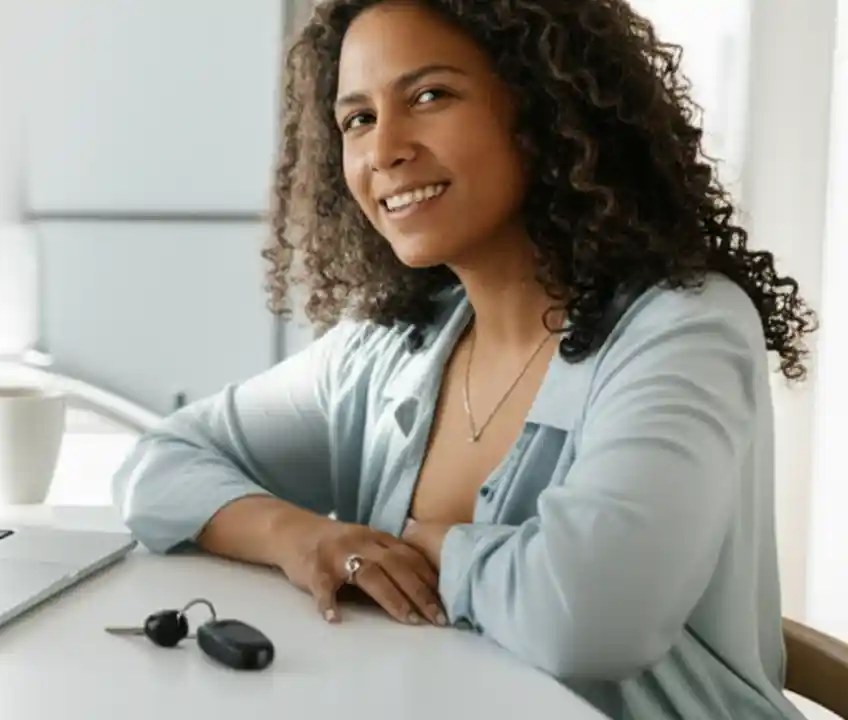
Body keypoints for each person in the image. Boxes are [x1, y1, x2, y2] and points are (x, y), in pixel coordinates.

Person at [112, 1, 814, 717]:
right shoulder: (389, 347)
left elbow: (591, 623)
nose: (384, 149)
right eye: (357, 118)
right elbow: (158, 468)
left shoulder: (684, 329)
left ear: (542, 105)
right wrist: (303, 537)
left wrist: (433, 544)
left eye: (429, 96)